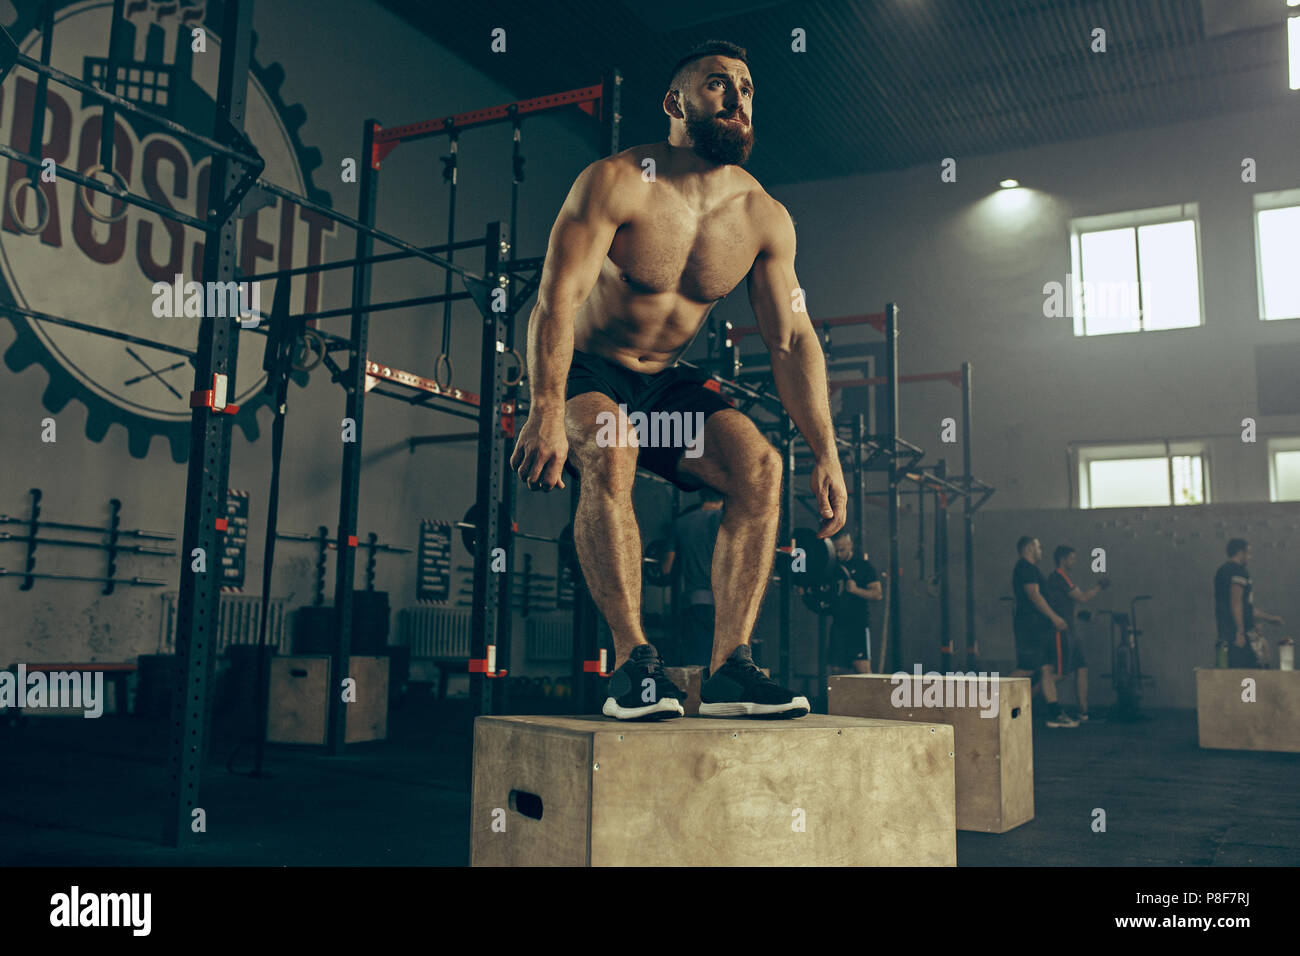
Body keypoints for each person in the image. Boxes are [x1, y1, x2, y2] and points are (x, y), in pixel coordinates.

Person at [510, 40, 847, 720]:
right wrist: (544, 405)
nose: (738, 98)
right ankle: (633, 663)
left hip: (664, 381)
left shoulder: (763, 218)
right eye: (719, 85)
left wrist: (827, 451)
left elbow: (791, 339)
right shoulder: (614, 182)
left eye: (747, 90)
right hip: (583, 363)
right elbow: (556, 298)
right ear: (676, 103)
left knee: (759, 466)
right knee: (612, 446)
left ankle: (730, 669)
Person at [1009, 536, 1076, 728]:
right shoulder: (1025, 568)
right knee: (1027, 669)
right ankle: (989, 700)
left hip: (1039, 628)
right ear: (1030, 548)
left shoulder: (1031, 569)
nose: (1041, 550)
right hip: (1029, 628)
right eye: (1039, 546)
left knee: (1046, 670)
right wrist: (1055, 617)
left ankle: (1056, 713)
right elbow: (1034, 595)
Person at [659, 488, 725, 666]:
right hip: (726, 606)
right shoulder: (727, 523)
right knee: (726, 667)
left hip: (696, 603)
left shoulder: (681, 523)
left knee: (696, 667)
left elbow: (666, 569)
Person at [1042, 545, 1108, 722]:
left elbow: (1066, 605)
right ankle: (1024, 694)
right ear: (1063, 559)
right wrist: (1099, 587)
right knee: (1059, 674)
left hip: (1072, 631)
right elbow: (1082, 597)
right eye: (1072, 558)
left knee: (1082, 668)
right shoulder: (1058, 576)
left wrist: (1082, 615)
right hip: (1061, 632)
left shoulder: (1062, 578)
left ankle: (1083, 712)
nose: (1074, 561)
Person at [1214, 538, 1284, 668]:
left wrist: (1270, 618)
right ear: (1241, 552)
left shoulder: (1221, 571)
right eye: (1248, 553)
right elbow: (1236, 602)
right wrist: (1240, 631)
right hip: (1238, 636)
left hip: (1226, 634)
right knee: (1249, 671)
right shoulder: (1238, 572)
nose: (1249, 557)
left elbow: (1245, 607)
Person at [827, 531, 882, 674]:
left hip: (858, 624)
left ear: (850, 545)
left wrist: (856, 590)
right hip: (838, 624)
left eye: (842, 550)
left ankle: (871, 697)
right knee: (837, 670)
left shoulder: (864, 566)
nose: (838, 554)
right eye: (835, 550)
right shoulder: (831, 566)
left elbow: (877, 594)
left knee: (862, 668)